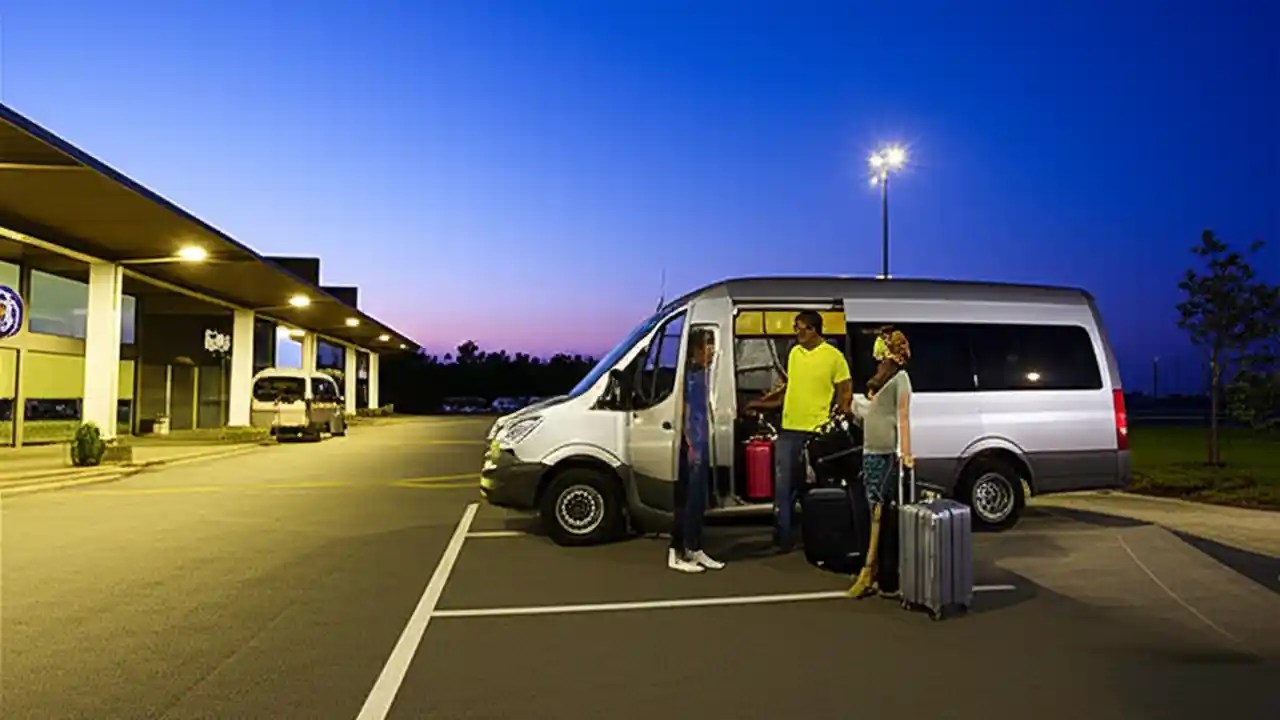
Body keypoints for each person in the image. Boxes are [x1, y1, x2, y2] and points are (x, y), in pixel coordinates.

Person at [745, 310, 853, 552]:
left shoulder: (834, 357)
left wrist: (838, 415)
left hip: (817, 433)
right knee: (783, 486)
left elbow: (845, 391)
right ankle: (782, 539)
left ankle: (818, 537)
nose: (799, 333)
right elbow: (789, 389)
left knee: (814, 488)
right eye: (796, 328)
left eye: (804, 328)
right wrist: (760, 403)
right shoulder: (794, 353)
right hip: (789, 430)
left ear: (816, 330)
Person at [848, 327, 913, 598]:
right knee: (872, 508)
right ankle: (873, 570)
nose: (877, 358)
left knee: (879, 511)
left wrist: (906, 452)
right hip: (870, 450)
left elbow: (903, 417)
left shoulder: (901, 379)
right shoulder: (881, 382)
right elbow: (877, 413)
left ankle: (871, 570)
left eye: (882, 351)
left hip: (885, 452)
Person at [669, 328, 726, 573]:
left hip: (702, 441)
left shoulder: (704, 374)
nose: (712, 352)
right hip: (691, 444)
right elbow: (683, 411)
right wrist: (690, 443)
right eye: (708, 347)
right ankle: (677, 551)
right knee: (686, 499)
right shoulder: (687, 376)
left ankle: (694, 547)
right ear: (695, 349)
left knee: (699, 499)